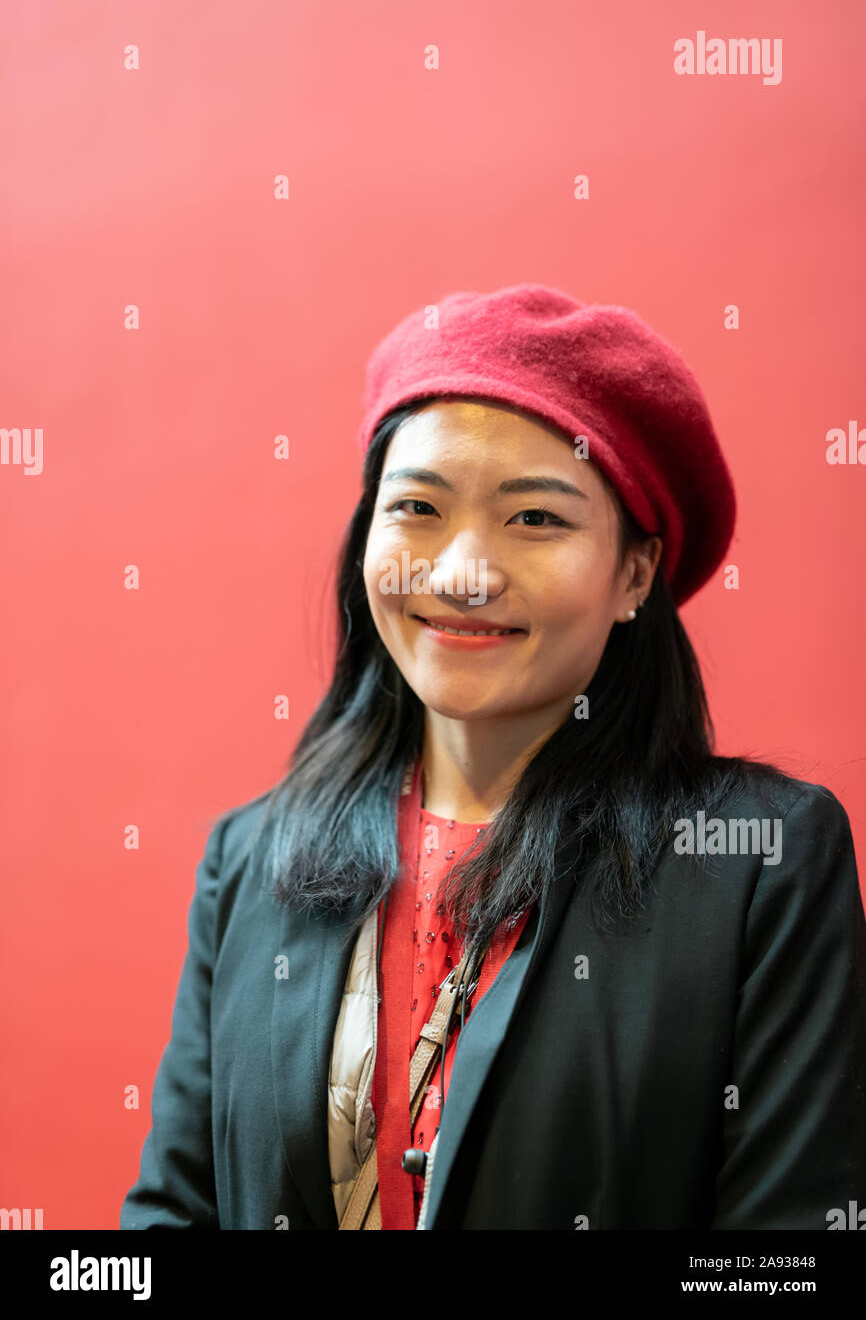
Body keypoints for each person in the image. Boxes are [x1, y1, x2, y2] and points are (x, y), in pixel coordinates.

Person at [120, 283, 866, 1231]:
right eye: (419, 508)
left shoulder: (758, 864)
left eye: (535, 519)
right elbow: (169, 1217)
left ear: (635, 572)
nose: (462, 573)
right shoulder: (252, 861)